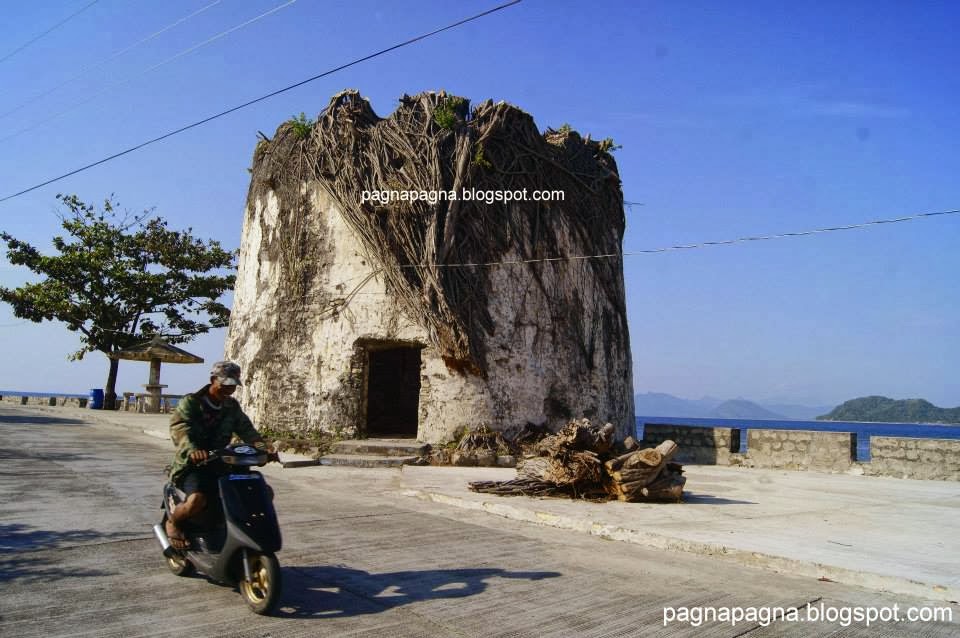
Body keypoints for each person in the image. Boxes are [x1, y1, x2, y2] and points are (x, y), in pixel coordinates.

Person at [164, 360, 274, 549]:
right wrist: (193, 451)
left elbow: (248, 431)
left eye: (233, 385)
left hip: (222, 463)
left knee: (261, 493)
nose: (229, 389)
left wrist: (264, 449)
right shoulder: (192, 402)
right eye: (225, 384)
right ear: (213, 380)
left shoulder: (231, 407)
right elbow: (180, 428)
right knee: (196, 500)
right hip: (193, 465)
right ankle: (173, 523)